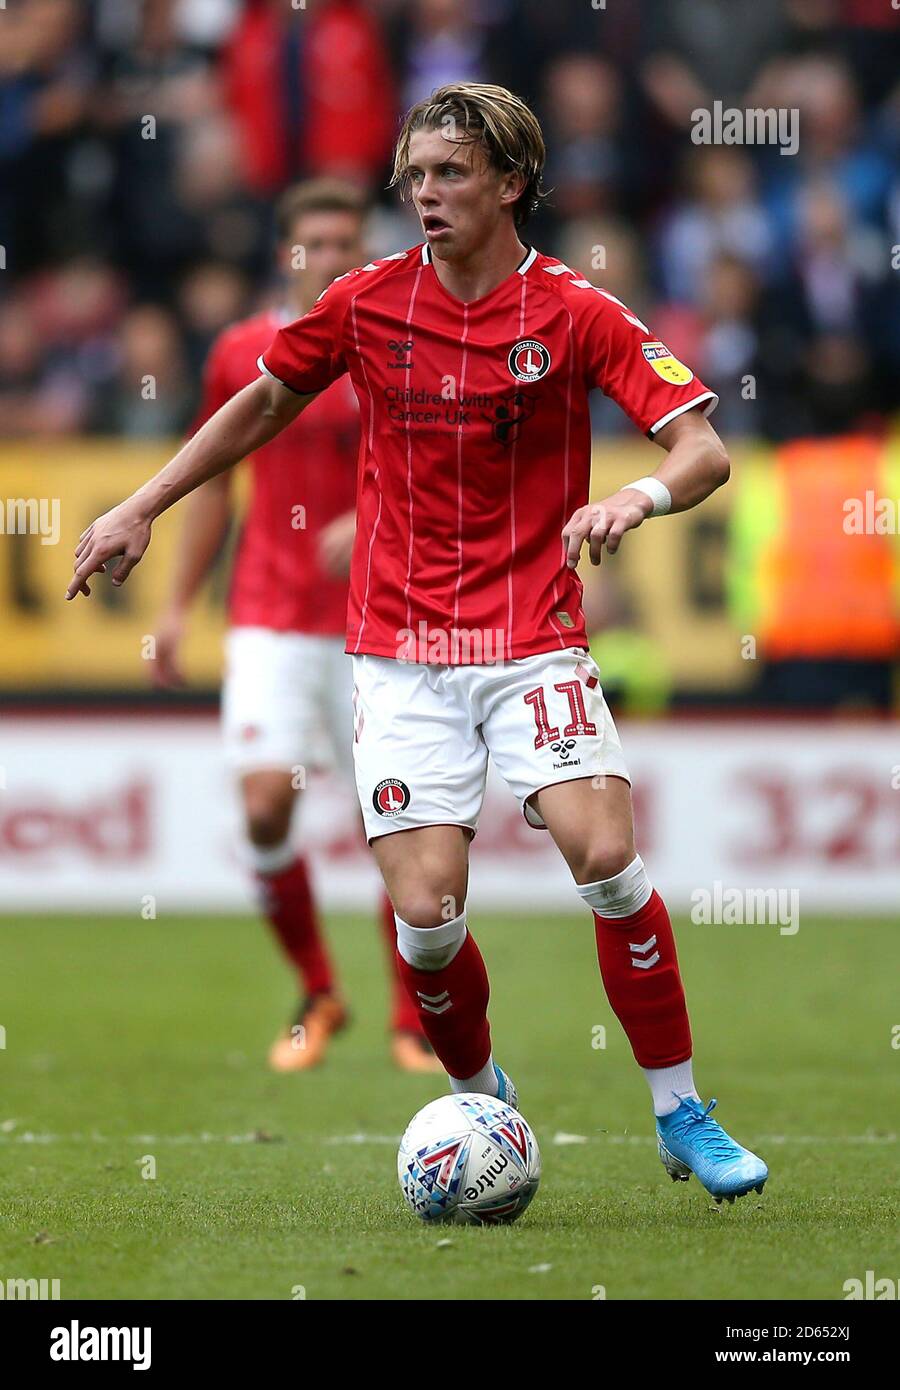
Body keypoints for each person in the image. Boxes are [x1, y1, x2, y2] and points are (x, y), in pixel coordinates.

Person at [68, 83, 768, 1203]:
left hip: (534, 634)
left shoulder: (578, 311)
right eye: (415, 176)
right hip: (399, 651)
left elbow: (703, 450)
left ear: (511, 183)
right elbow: (259, 404)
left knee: (604, 853)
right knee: (429, 916)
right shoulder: (366, 302)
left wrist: (636, 498)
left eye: (448, 174)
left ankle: (682, 1108)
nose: (425, 196)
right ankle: (487, 1105)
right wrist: (142, 503)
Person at [149, 178, 439, 1075]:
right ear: (289, 252)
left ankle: (409, 1019)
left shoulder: (398, 339)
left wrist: (372, 509)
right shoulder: (242, 351)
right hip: (270, 612)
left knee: (392, 824)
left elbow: (442, 462)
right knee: (267, 804)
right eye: (317, 240)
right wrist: (174, 603)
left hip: (377, 617)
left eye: (349, 240)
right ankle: (320, 990)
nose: (334, 254)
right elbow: (214, 479)